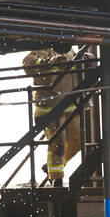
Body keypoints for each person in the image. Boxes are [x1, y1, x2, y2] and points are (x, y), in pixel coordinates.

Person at [21, 48, 82, 188]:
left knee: (78, 140)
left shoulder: (70, 51)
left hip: (69, 104)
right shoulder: (43, 48)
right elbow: (27, 63)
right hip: (48, 107)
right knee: (58, 144)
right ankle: (56, 180)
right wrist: (48, 62)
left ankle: (52, 166)